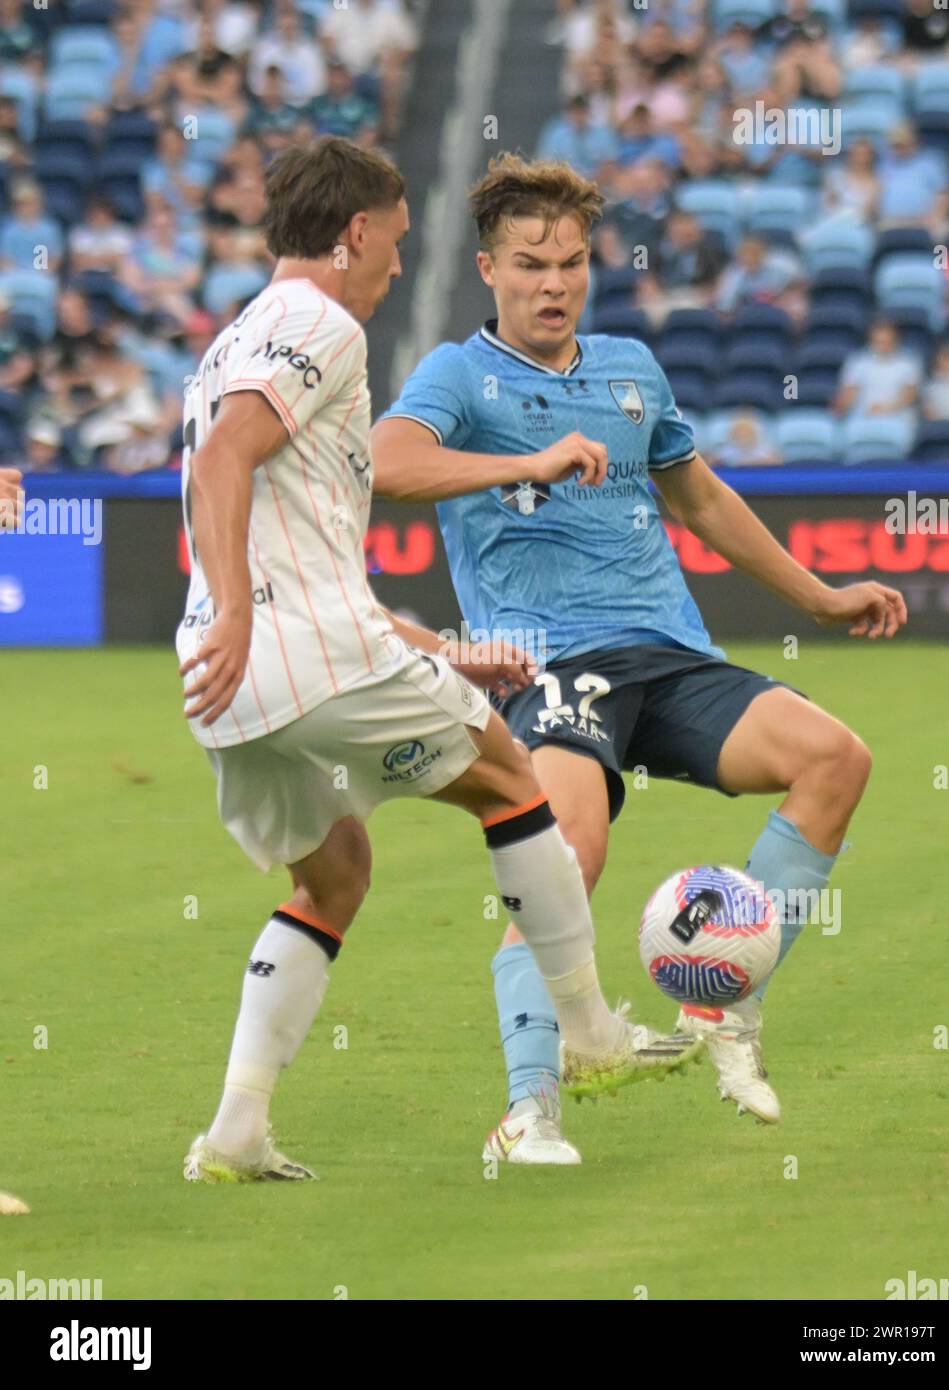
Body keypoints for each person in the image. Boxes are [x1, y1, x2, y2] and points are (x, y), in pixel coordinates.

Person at [371, 153, 907, 1163]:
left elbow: (698, 497)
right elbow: (387, 462)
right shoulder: (459, 373)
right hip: (545, 664)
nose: (554, 283)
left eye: (571, 262)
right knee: (564, 853)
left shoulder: (628, 368)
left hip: (667, 652)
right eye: (530, 263)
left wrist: (820, 597)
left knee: (836, 758)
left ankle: (722, 1012)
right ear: (488, 268)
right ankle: (529, 1108)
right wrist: (525, 461)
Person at [176, 137, 691, 1184]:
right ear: (355, 232)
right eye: (398, 244)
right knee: (511, 779)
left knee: (334, 876)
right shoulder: (319, 321)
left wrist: (431, 647)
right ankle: (588, 1026)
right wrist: (239, 610)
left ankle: (235, 1127)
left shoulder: (231, 339)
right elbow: (229, 458)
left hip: (235, 682)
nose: (401, 267)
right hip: (279, 648)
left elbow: (297, 546)